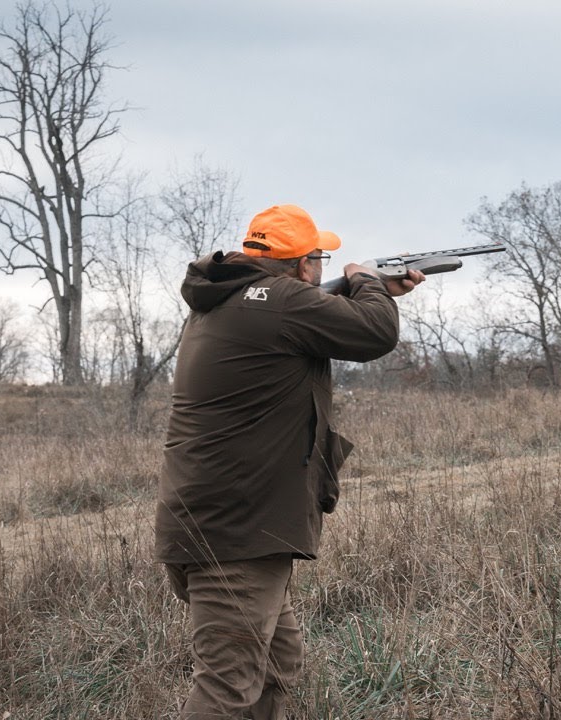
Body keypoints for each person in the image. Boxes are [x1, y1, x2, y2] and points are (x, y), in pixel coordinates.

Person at [155, 204, 423, 719]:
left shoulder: (227, 300)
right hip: (238, 530)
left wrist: (368, 290)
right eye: (320, 258)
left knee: (278, 663)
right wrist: (366, 281)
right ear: (303, 266)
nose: (323, 267)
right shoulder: (279, 301)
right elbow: (375, 334)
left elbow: (326, 319)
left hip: (216, 523)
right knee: (228, 686)